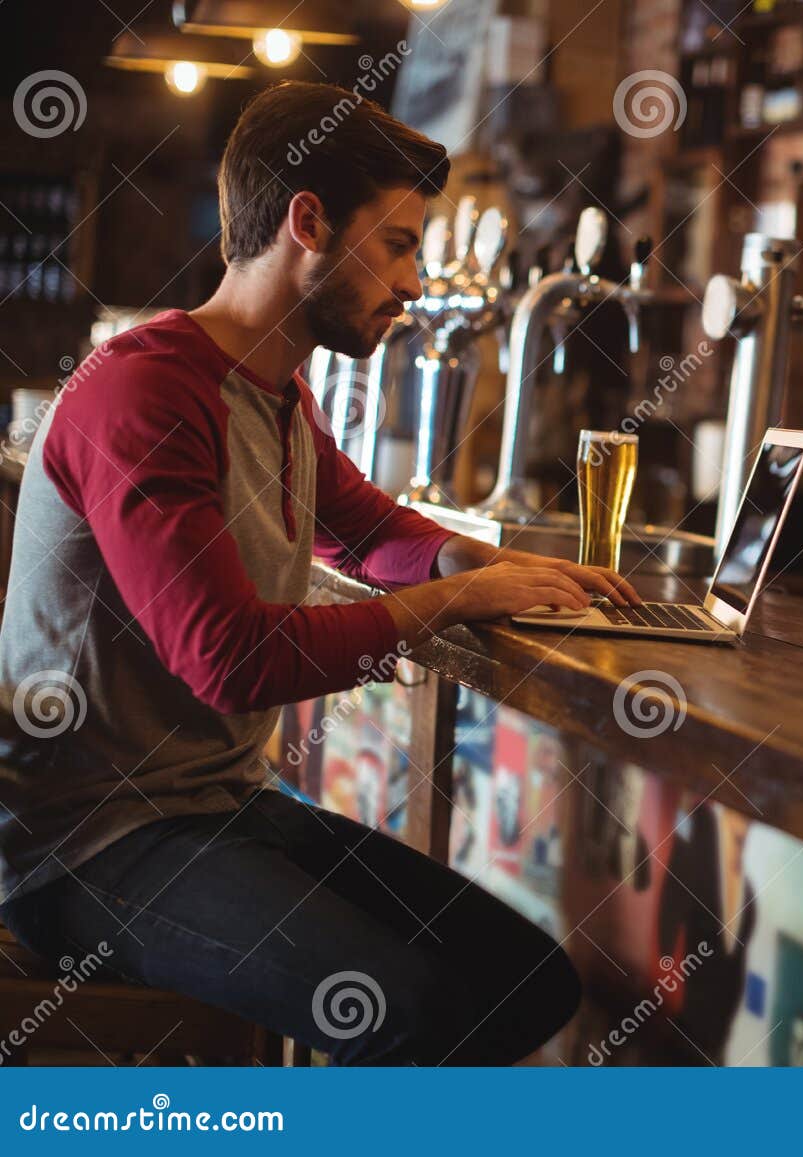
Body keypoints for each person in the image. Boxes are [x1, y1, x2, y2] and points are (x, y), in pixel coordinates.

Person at [0, 82, 644, 1065]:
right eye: (398, 245)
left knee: (528, 980)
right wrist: (457, 596)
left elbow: (371, 529)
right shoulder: (144, 389)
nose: (417, 283)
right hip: (88, 842)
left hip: (219, 807)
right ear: (308, 222)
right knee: (402, 1006)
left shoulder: (274, 389)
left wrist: (502, 563)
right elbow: (231, 659)